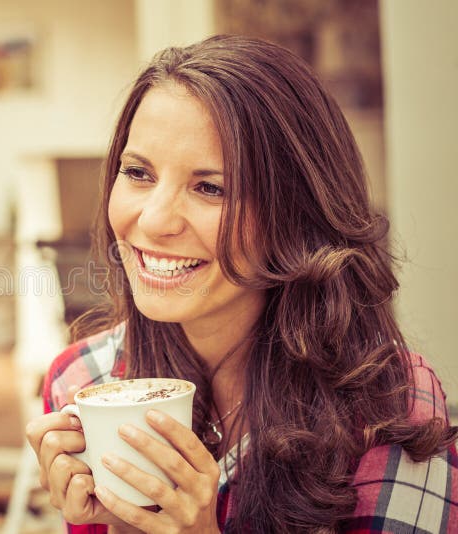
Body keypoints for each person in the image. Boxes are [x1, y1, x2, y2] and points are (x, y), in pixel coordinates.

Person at [24, 35, 458, 533]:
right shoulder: (85, 382)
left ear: (296, 213)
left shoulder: (390, 404)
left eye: (210, 187)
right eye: (138, 173)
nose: (155, 220)